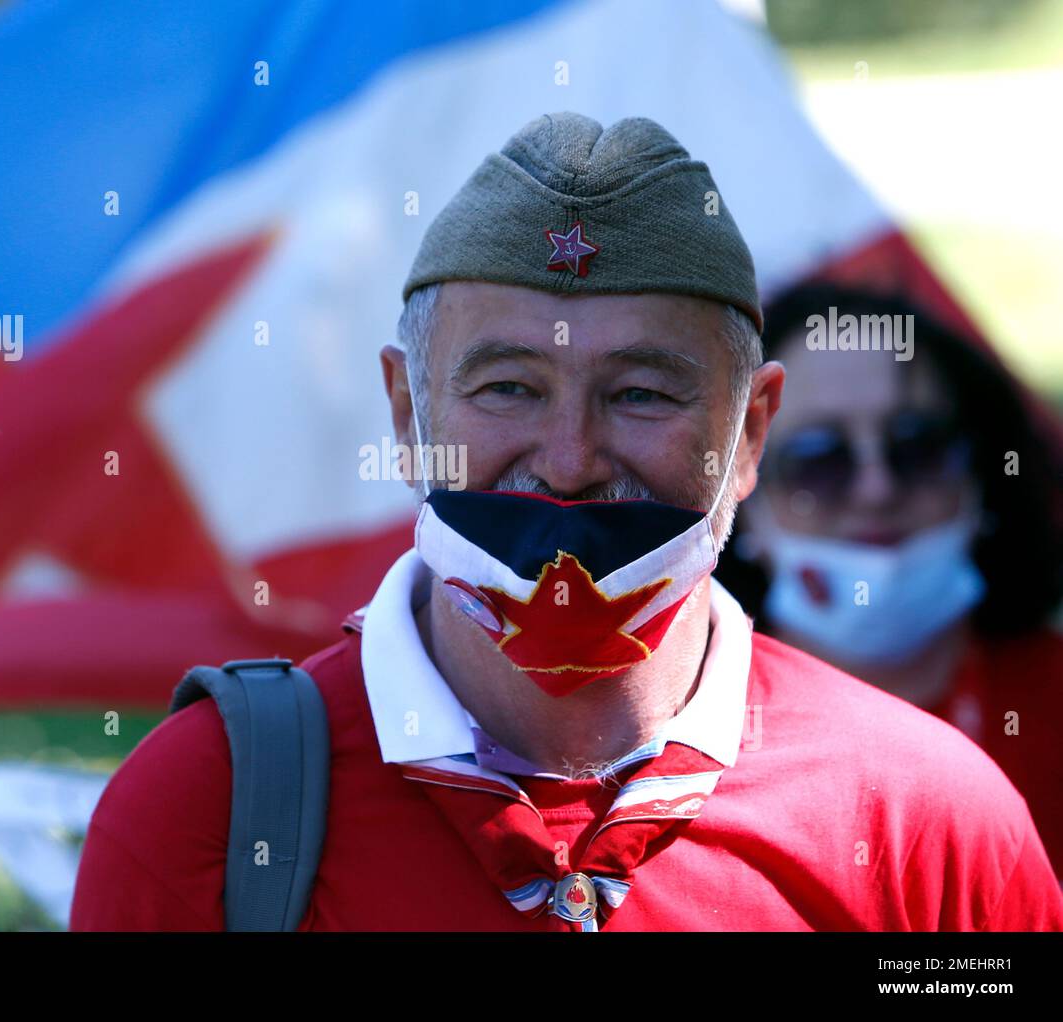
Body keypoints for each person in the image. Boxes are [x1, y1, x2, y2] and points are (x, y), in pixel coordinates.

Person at [71, 112, 1062, 931]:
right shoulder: (207, 808)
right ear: (407, 414)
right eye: (507, 387)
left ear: (750, 430)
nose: (569, 458)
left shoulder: (925, 822)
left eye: (640, 392)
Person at [717, 282, 1063, 874]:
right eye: (818, 458)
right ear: (741, 496)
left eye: (917, 444)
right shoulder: (688, 734)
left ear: (979, 473)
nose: (876, 488)